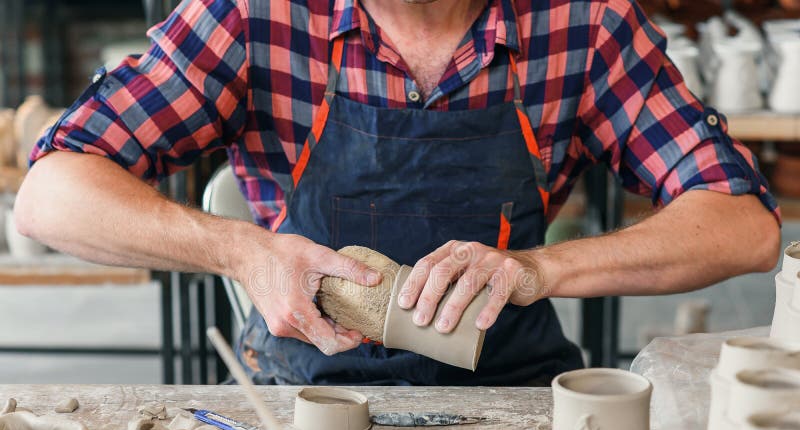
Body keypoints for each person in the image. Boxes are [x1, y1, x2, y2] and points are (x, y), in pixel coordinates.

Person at [16, 0, 780, 386]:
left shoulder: (584, 22)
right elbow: (50, 194)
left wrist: (539, 271)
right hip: (302, 395)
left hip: (510, 388)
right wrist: (243, 250)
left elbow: (744, 224)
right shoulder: (254, 15)